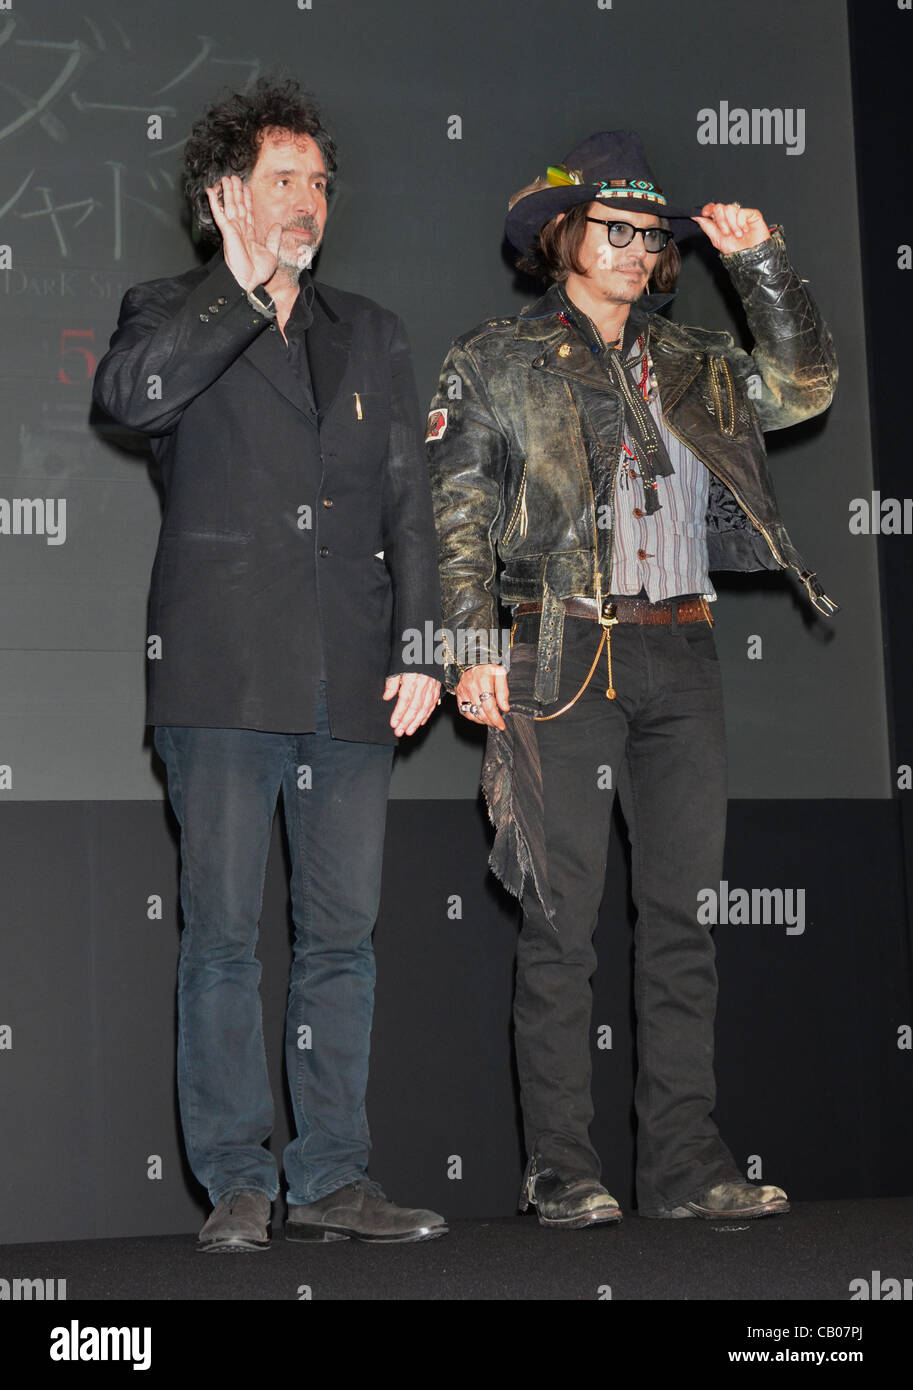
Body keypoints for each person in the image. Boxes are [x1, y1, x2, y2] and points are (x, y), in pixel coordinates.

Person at [427, 130, 837, 1228]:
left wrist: (760, 267)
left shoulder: (696, 359)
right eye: (614, 228)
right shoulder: (496, 357)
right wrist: (470, 650)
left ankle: (685, 1166)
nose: (634, 249)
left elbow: (802, 385)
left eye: (651, 236)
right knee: (560, 924)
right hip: (560, 649)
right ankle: (561, 1166)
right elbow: (456, 515)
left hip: (682, 648)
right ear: (561, 236)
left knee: (681, 921)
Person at [94, 78, 446, 1250]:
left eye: (319, 185)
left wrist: (425, 645)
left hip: (351, 679)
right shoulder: (165, 310)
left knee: (342, 940)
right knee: (225, 941)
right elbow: (131, 399)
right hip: (220, 680)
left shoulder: (373, 331)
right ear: (226, 194)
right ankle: (238, 1180)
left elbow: (414, 500)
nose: (307, 202)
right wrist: (235, 298)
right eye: (282, 181)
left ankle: (335, 1177)